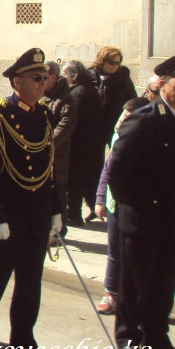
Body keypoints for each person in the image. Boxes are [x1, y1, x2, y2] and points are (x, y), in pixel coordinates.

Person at [107, 52, 175, 349]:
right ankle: (128, 335)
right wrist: (131, 208)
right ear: (163, 84)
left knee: (165, 283)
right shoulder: (144, 119)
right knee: (135, 284)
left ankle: (156, 336)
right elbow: (117, 171)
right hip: (141, 218)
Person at [0, 48, 62, 349]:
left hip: (37, 213)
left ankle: (23, 340)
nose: (42, 83)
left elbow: (49, 167)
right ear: (16, 81)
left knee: (30, 281)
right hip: (8, 213)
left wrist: (57, 210)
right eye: (36, 78)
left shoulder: (44, 115)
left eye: (45, 78)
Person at [94, 96, 148, 315]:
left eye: (127, 116)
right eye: (122, 114)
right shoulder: (118, 136)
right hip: (113, 203)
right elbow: (107, 170)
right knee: (114, 251)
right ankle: (110, 293)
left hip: (133, 205)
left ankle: (134, 298)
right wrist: (99, 199)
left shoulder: (142, 138)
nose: (121, 119)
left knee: (134, 254)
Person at [62, 60, 104, 226]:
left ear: (73, 76)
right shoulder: (86, 89)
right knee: (84, 181)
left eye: (65, 75)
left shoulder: (79, 93)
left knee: (75, 182)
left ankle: (74, 215)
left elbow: (74, 119)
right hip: (87, 144)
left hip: (81, 145)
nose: (63, 78)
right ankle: (93, 209)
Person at [40, 60, 76, 231]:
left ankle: (59, 229)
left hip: (56, 156)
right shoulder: (40, 95)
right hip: (38, 155)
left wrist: (45, 145)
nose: (40, 81)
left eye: (44, 77)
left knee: (57, 191)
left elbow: (65, 127)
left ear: (53, 77)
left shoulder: (66, 100)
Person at [89, 46, 138, 148]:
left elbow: (132, 98)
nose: (114, 66)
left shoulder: (123, 77)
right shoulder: (90, 76)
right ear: (102, 61)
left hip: (115, 121)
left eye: (117, 63)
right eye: (111, 63)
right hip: (96, 124)